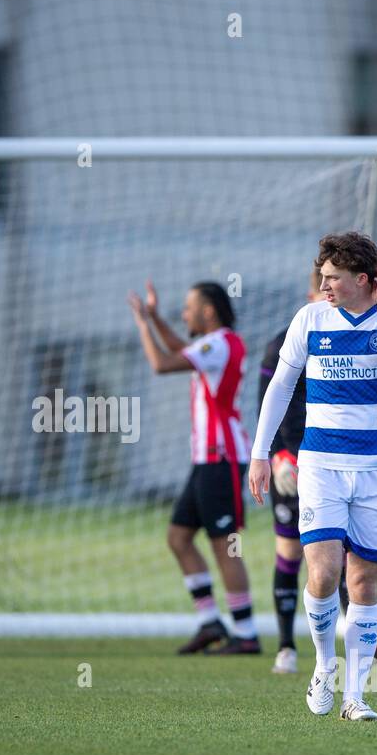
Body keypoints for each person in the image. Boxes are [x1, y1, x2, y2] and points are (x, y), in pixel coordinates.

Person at [250, 233, 377, 721]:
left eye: (333, 278)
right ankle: (325, 666)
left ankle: (356, 695)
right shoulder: (309, 320)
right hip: (320, 467)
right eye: (322, 277)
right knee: (324, 574)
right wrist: (260, 453)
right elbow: (281, 386)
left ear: (364, 280)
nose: (323, 286)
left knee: (364, 584)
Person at [128, 279, 258, 655]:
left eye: (188, 307)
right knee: (179, 537)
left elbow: (162, 363)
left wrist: (141, 324)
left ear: (209, 311)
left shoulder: (219, 343)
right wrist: (154, 318)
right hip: (206, 461)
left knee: (225, 547)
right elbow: (179, 349)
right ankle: (210, 622)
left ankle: (246, 633)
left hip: (222, 459)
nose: (183, 314)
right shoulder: (217, 344)